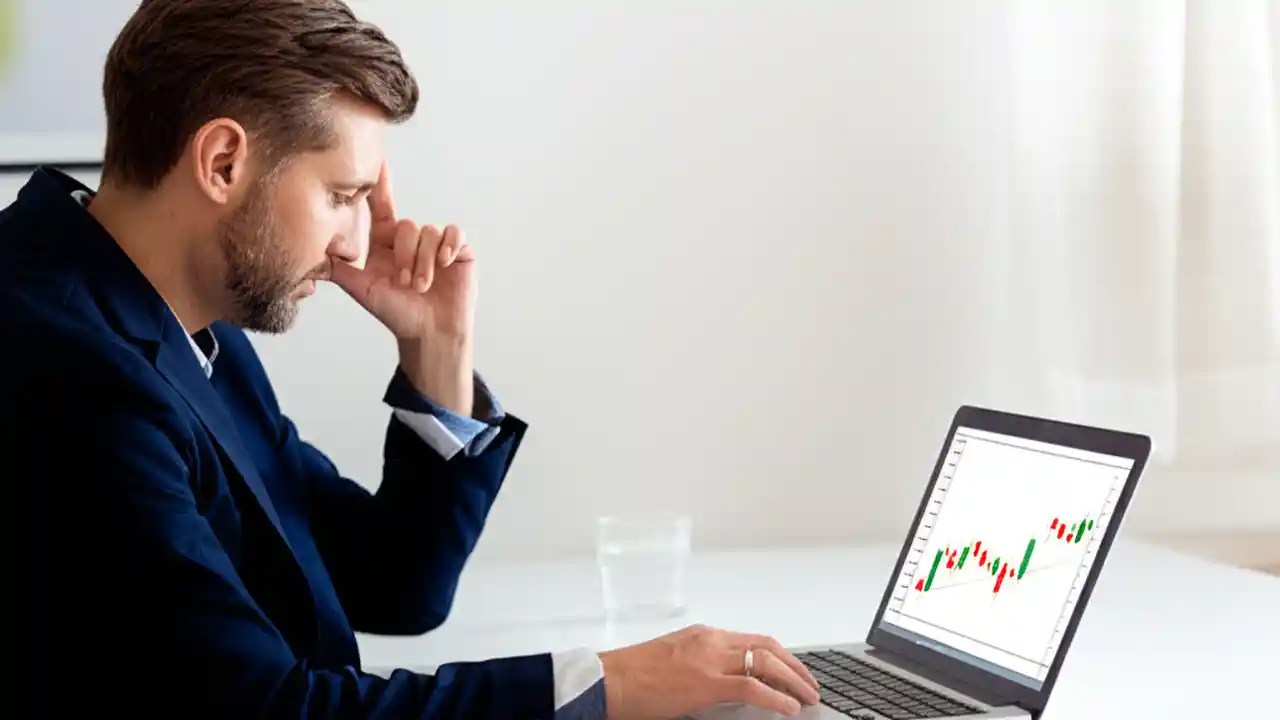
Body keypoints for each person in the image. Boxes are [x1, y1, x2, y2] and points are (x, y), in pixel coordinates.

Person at [2, 1, 822, 718]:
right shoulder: (67, 367)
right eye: (342, 196)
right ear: (223, 163)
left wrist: (436, 346)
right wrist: (610, 685)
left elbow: (390, 586)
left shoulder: (169, 318)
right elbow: (270, 709)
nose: (358, 244)